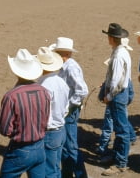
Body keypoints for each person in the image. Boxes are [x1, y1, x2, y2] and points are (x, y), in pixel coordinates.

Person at [0, 48, 51, 177]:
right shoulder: (44, 92)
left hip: (20, 148)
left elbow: (4, 129)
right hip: (39, 146)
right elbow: (46, 119)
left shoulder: (11, 96)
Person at [52, 37, 90, 178]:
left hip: (70, 112)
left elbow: (82, 90)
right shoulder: (66, 66)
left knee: (70, 146)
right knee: (67, 146)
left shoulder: (71, 67)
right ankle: (67, 174)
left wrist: (68, 108)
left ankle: (80, 175)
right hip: (68, 111)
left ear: (65, 54)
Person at [98, 23, 133, 176]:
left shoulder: (118, 55)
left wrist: (109, 96)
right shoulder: (121, 52)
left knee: (121, 130)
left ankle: (121, 163)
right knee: (120, 128)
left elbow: (117, 82)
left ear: (111, 38)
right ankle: (117, 157)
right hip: (120, 94)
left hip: (117, 95)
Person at [36, 46, 69, 178]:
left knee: (47, 170)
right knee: (54, 167)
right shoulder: (61, 82)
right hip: (60, 129)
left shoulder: (44, 86)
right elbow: (66, 107)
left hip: (49, 132)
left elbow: (41, 113)